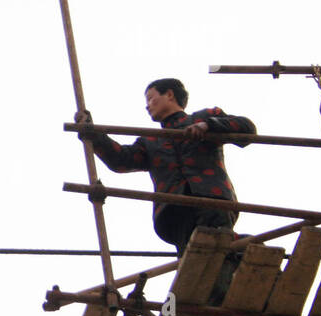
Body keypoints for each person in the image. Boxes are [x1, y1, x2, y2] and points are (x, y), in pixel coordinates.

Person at [81, 78, 256, 254]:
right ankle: (245, 249)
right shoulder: (150, 140)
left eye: (151, 98)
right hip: (174, 212)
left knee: (217, 247)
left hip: (212, 200)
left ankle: (247, 250)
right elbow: (120, 159)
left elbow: (247, 129)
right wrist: (92, 134)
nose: (147, 106)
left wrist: (209, 125)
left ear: (170, 95)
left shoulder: (203, 117)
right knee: (194, 257)